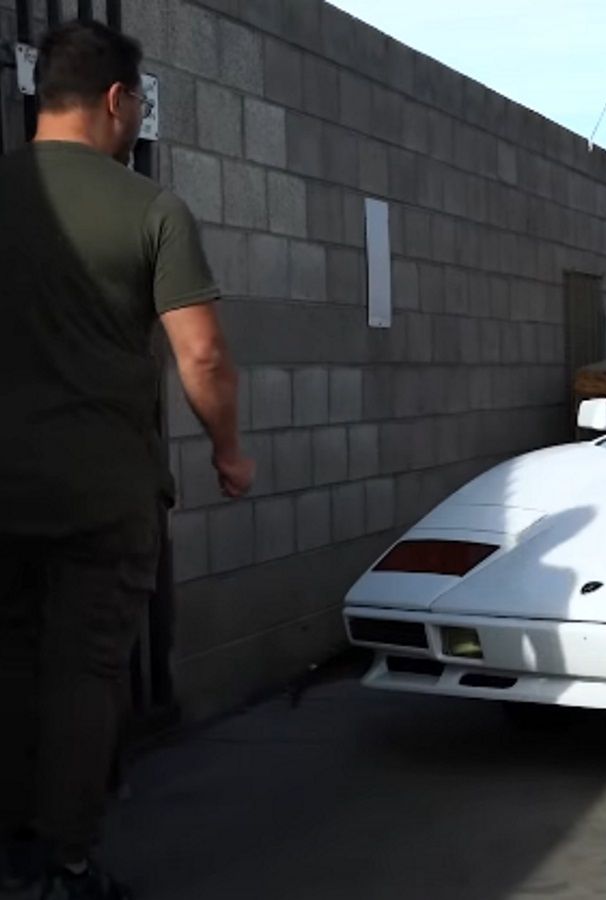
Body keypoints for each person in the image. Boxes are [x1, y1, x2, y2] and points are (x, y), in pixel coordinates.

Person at [0, 20, 253, 900]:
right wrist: (228, 451)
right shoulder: (150, 209)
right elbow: (205, 357)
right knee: (84, 674)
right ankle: (62, 864)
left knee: (16, 659)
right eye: (139, 104)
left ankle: (14, 842)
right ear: (116, 101)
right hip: (103, 494)